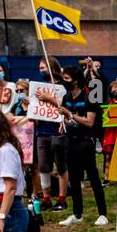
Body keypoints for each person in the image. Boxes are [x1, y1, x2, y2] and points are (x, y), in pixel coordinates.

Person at [53, 69, 108, 228]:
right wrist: (64, 116)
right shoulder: (66, 97)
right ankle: (77, 214)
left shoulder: (88, 97)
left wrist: (70, 114)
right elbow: (66, 118)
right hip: (70, 141)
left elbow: (90, 122)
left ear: (75, 80)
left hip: (85, 142)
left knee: (93, 178)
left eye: (67, 78)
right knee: (74, 180)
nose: (64, 81)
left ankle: (102, 213)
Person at [34, 55, 69, 212]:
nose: (41, 70)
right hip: (42, 131)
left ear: (52, 67)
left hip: (57, 130)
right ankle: (46, 198)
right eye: (40, 68)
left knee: (61, 166)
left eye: (43, 67)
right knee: (43, 167)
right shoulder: (38, 87)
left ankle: (62, 198)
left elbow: (65, 107)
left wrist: (49, 99)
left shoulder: (63, 87)